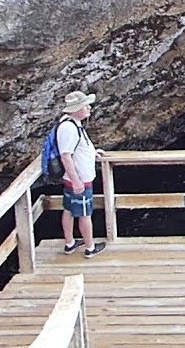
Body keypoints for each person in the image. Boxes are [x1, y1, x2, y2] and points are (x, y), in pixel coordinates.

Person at [58, 90, 107, 258]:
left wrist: (92, 152)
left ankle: (70, 243)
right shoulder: (69, 128)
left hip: (72, 179)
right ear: (76, 109)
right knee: (85, 213)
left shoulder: (71, 124)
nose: (89, 108)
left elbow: (77, 148)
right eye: (85, 106)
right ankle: (90, 247)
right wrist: (77, 181)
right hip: (79, 180)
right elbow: (66, 156)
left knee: (69, 209)